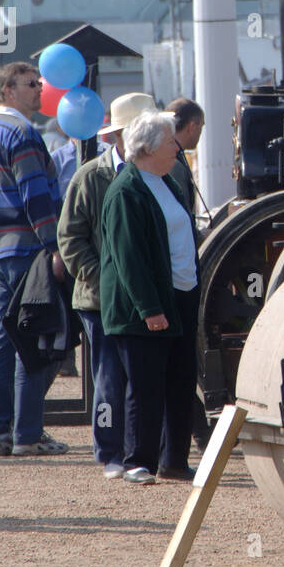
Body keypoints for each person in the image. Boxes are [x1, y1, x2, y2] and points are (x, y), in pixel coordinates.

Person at [56, 92, 155, 478]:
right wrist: (104, 279)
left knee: (138, 378)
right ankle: (109, 450)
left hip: (142, 299)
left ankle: (137, 451)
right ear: (119, 136)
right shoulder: (89, 175)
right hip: (99, 301)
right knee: (109, 379)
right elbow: (70, 238)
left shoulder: (160, 173)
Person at [100, 111, 199, 484]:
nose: (177, 147)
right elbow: (130, 258)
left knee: (180, 380)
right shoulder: (126, 189)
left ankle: (174, 459)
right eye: (171, 141)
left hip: (180, 296)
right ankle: (137, 461)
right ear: (149, 148)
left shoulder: (166, 182)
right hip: (145, 307)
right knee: (145, 385)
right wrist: (150, 309)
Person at [0, 61, 68, 456]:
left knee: (1, 336)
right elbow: (35, 196)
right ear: (7, 90)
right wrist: (54, 246)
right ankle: (27, 433)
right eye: (31, 84)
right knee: (35, 333)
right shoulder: (23, 133)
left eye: (39, 83)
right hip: (29, 248)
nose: (39, 89)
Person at [165, 97, 206, 230]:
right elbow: (180, 217)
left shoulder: (173, 158)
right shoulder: (174, 165)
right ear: (192, 127)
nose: (201, 133)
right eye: (201, 126)